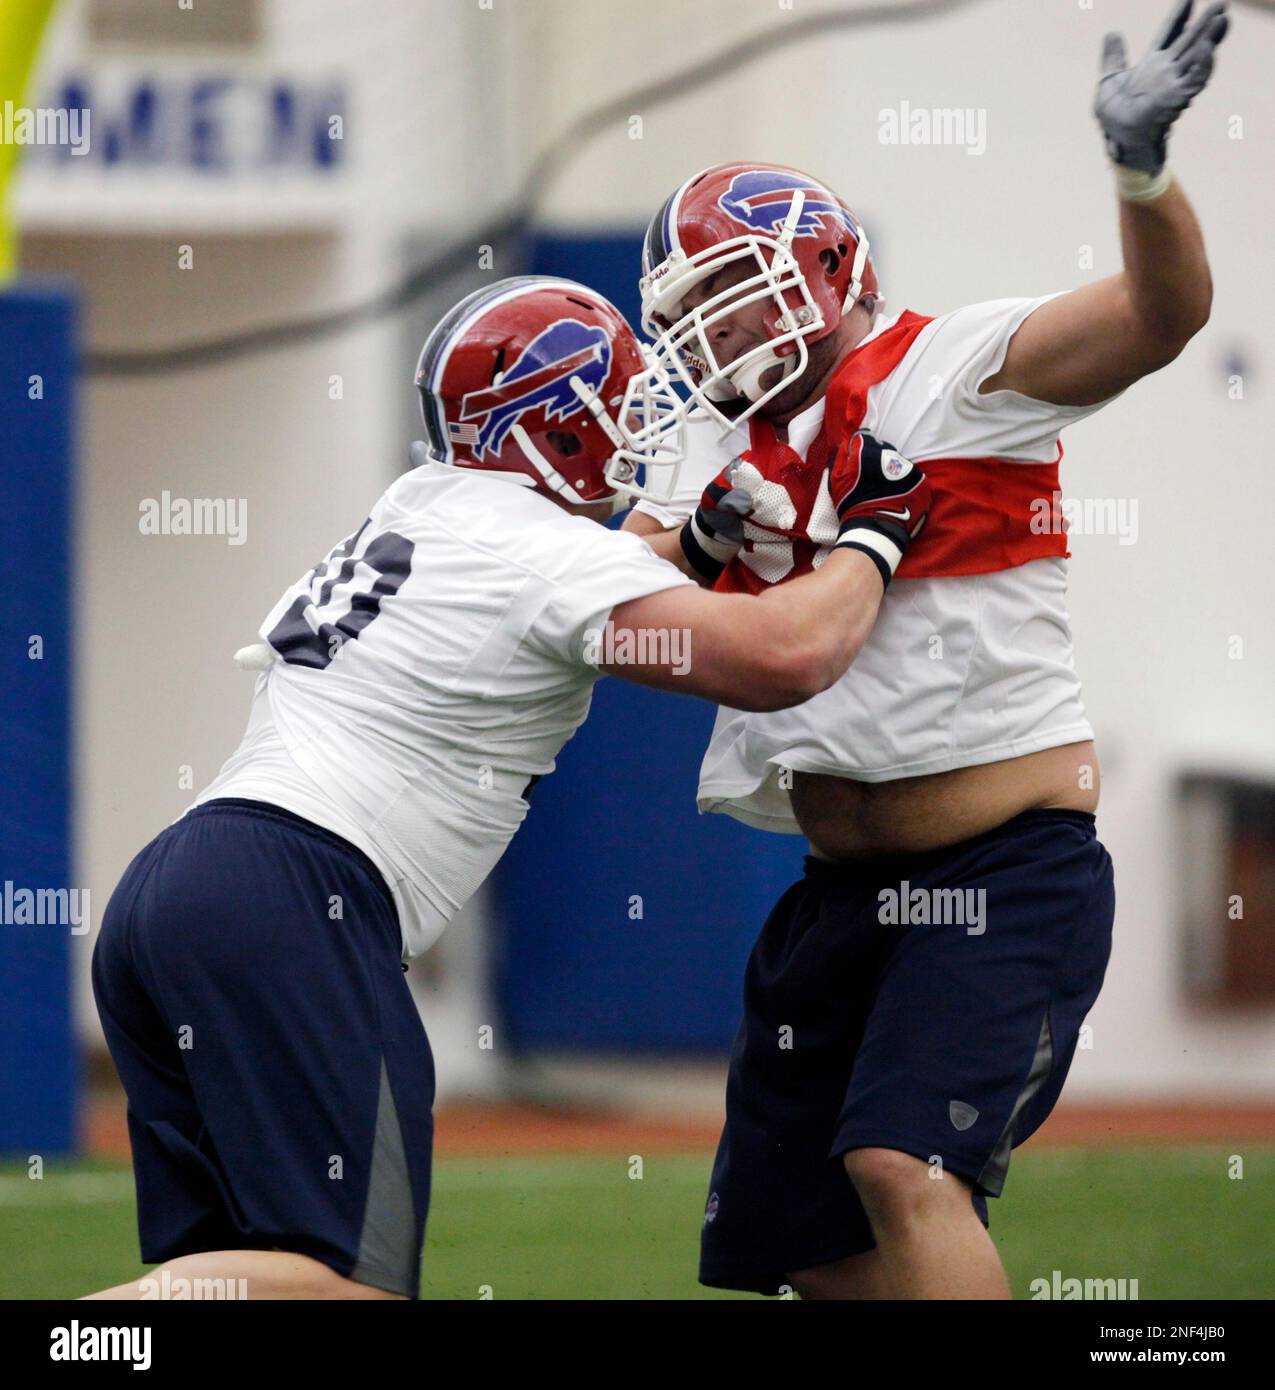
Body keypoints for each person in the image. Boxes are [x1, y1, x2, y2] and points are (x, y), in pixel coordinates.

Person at [85, 275, 929, 1300]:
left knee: (246, 1282)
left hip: (184, 891)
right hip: (294, 900)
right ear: (554, 428)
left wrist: (695, 549)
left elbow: (567, 581)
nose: (635, 422)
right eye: (615, 401)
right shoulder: (541, 553)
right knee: (345, 1285)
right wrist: (876, 535)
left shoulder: (429, 500)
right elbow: (784, 653)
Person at [623, 0, 1228, 1299]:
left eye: (737, 292)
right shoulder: (708, 456)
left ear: (831, 270)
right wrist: (685, 544)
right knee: (805, 1250)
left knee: (905, 1163)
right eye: (698, 311)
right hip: (832, 891)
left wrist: (1141, 170)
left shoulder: (947, 371)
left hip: (998, 871)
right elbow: (613, 607)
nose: (719, 331)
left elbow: (1157, 313)